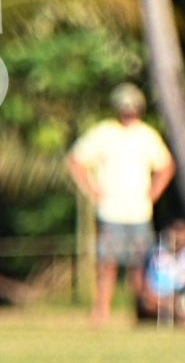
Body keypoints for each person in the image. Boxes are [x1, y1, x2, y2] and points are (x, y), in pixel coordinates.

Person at [68, 83, 176, 323]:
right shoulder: (104, 133)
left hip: (139, 213)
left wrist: (153, 193)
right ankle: (101, 311)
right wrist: (91, 190)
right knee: (107, 264)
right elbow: (75, 160)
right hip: (111, 212)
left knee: (139, 266)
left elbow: (166, 166)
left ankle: (140, 312)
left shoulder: (147, 135)